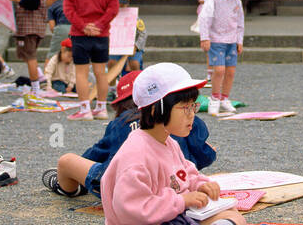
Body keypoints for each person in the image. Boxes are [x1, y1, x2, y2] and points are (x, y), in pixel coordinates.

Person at [99, 63, 247, 225]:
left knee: (230, 215)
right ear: (154, 109)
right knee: (233, 221)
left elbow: (186, 172)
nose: (192, 115)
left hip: (166, 221)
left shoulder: (168, 142)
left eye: (193, 106)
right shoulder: (136, 154)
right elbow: (130, 208)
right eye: (184, 108)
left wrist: (202, 184)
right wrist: (182, 201)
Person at [44, 68, 216, 198]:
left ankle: (69, 187)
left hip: (123, 188)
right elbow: (203, 156)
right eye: (187, 106)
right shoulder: (184, 125)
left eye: (192, 106)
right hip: (155, 189)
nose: (192, 112)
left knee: (67, 161)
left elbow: (96, 154)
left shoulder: (122, 122)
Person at [63, 0, 119, 121]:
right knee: (100, 72)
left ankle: (85, 109)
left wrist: (83, 26)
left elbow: (68, 9)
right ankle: (101, 108)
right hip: (101, 36)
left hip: (80, 36)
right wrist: (99, 25)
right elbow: (113, 9)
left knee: (81, 72)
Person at [198, 0, 247, 117]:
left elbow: (240, 23)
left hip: (231, 41)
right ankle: (214, 98)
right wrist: (204, 37)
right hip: (216, 39)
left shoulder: (237, 1)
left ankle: (225, 98)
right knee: (219, 70)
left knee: (230, 71)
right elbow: (205, 18)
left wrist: (239, 41)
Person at [10, 0, 49, 95]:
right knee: (26, 56)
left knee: (31, 57)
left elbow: (32, 3)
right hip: (28, 28)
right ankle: (37, 83)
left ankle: (36, 89)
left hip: (30, 28)